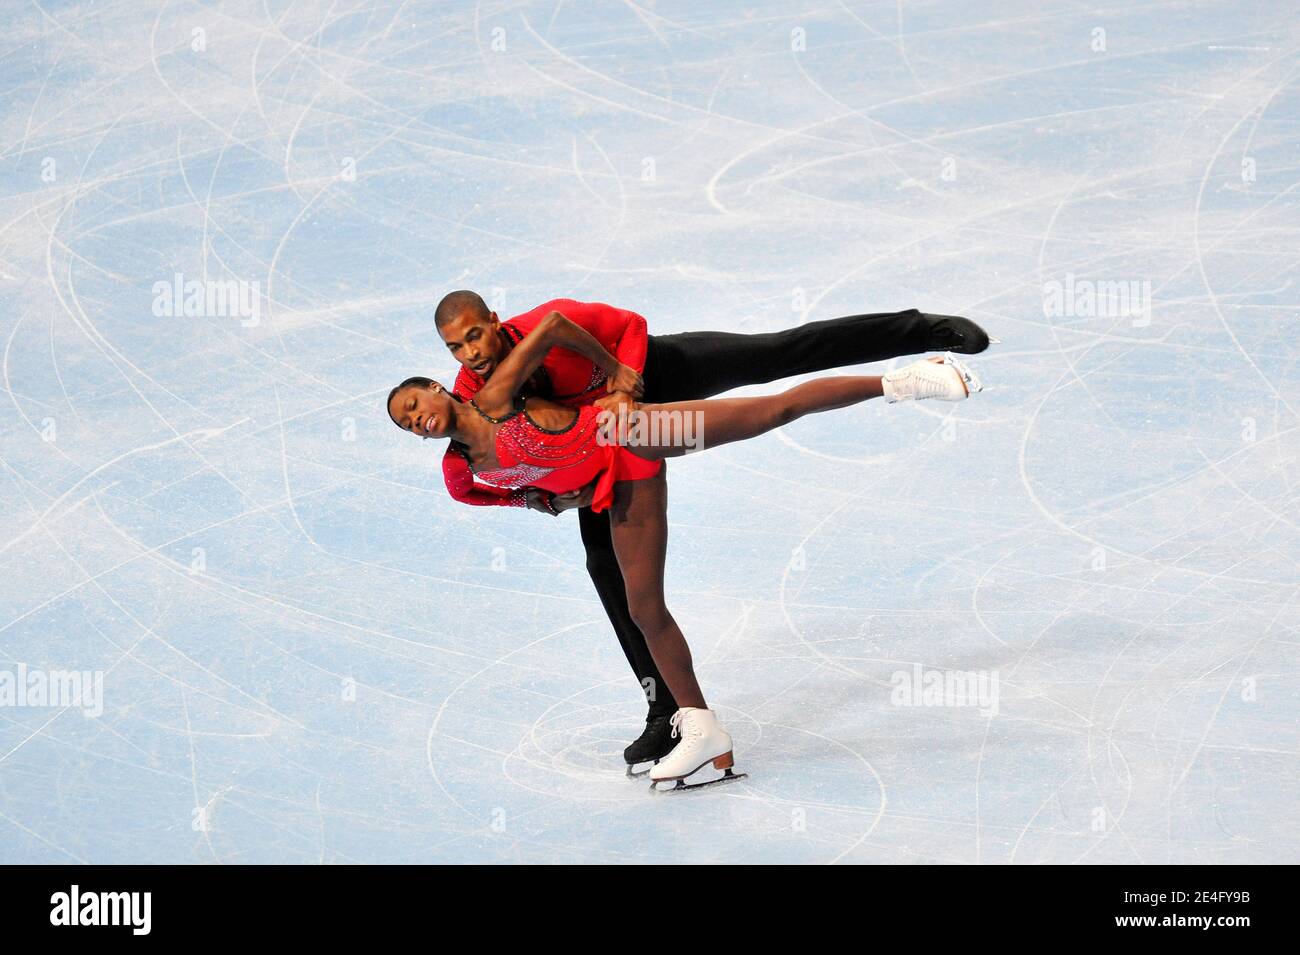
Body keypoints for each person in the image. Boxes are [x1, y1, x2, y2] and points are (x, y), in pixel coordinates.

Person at [388, 308, 985, 788]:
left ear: (489, 325)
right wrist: (537, 501)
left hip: (641, 410)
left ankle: (910, 366)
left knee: (773, 393)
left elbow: (577, 328)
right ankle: (688, 720)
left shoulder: (496, 387)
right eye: (455, 349)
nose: (469, 355)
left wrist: (620, 380)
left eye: (418, 404)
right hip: (616, 483)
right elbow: (487, 488)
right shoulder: (463, 443)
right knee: (635, 601)